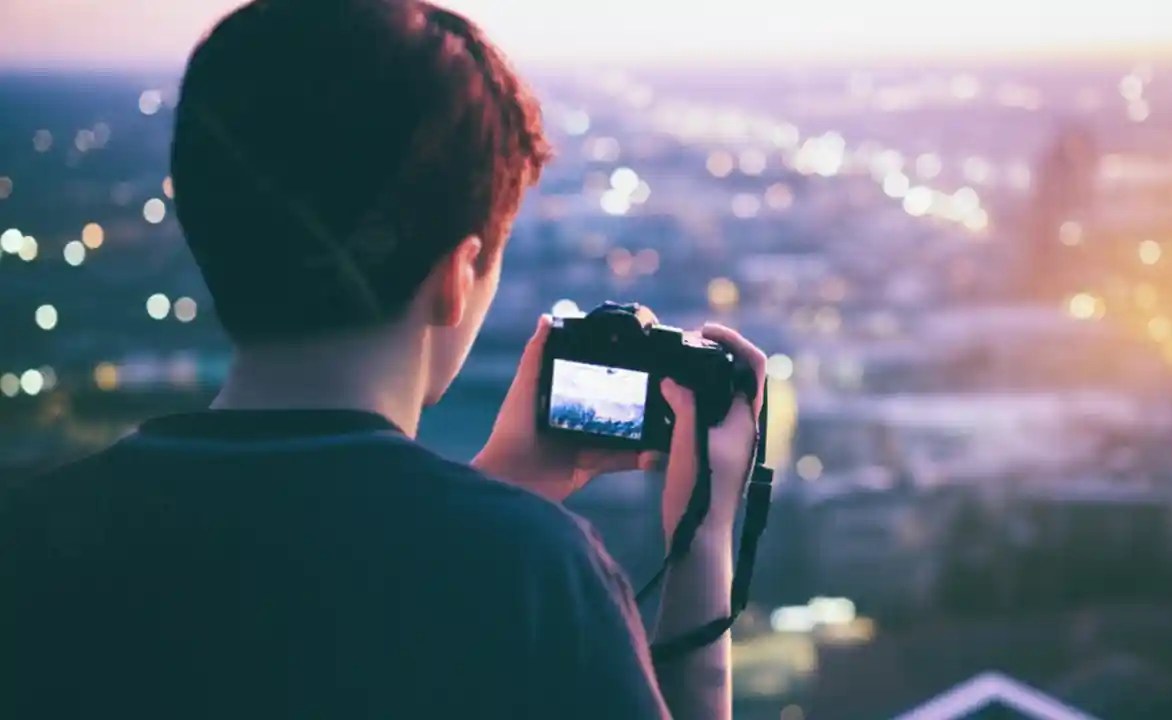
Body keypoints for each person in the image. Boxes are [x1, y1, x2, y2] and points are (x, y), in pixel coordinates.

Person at [0, 1, 767, 719]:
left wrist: (499, 486)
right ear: (456, 278)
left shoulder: (34, 542)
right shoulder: (535, 581)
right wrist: (700, 547)